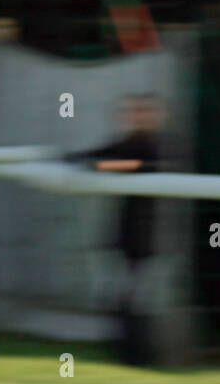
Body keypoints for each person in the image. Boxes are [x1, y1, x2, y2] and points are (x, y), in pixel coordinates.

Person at [70, 93, 167, 364]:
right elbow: (98, 155)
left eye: (141, 112)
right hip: (126, 234)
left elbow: (141, 166)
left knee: (137, 299)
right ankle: (127, 354)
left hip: (149, 237)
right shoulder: (128, 143)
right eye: (131, 112)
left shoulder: (158, 146)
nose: (134, 118)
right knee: (121, 297)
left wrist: (98, 166)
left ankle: (141, 356)